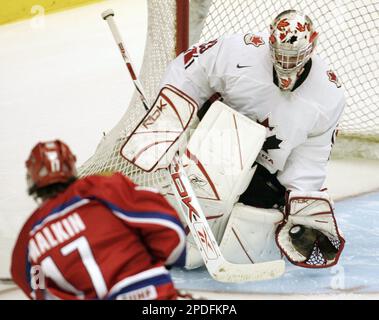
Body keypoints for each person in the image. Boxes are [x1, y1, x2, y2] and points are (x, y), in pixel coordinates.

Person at [158, 10, 345, 268]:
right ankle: (173, 236)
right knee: (194, 205)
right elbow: (189, 70)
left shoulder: (329, 94)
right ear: (269, 40)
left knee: (247, 242)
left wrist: (300, 199)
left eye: (294, 56)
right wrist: (172, 118)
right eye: (281, 54)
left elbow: (312, 153)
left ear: (313, 42)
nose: (286, 62)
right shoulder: (239, 51)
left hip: (268, 174)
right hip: (223, 146)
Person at [11, 140, 186, 300]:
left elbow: (37, 290)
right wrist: (165, 261)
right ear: (71, 166)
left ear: (32, 178)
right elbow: (168, 226)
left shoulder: (29, 234)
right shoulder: (98, 188)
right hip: (147, 292)